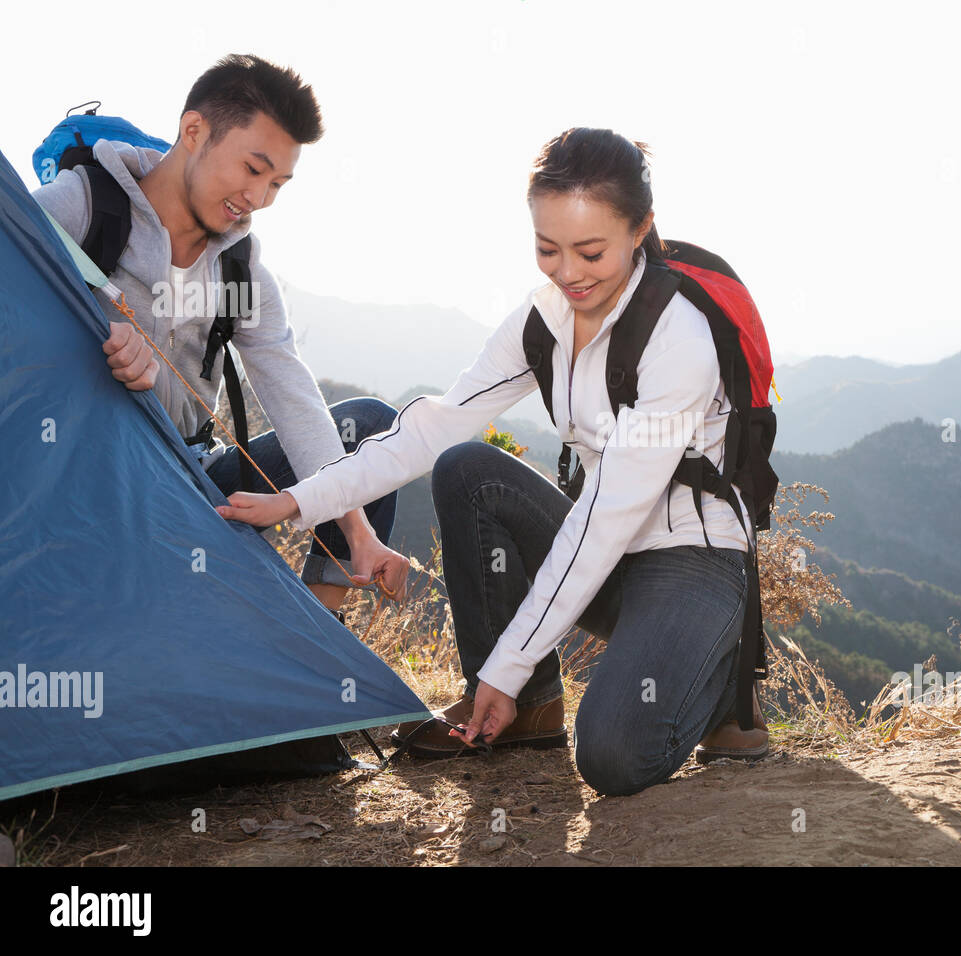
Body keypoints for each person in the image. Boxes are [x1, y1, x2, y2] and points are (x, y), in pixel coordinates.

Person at [217, 127, 768, 796]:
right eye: (548, 249)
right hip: (614, 564)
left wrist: (504, 664)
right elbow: (432, 428)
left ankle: (720, 680)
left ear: (640, 228)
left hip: (691, 558)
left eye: (590, 252)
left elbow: (603, 520)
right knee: (466, 468)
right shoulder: (544, 319)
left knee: (613, 756)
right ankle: (528, 708)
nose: (568, 273)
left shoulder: (679, 333)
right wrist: (300, 500)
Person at [33, 55, 401, 616]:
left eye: (278, 182)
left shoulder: (240, 270)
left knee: (370, 427)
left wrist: (354, 528)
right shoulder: (81, 206)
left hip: (190, 481)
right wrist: (89, 327)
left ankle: (320, 640)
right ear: (194, 131)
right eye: (253, 169)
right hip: (80, 476)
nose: (260, 198)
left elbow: (291, 394)